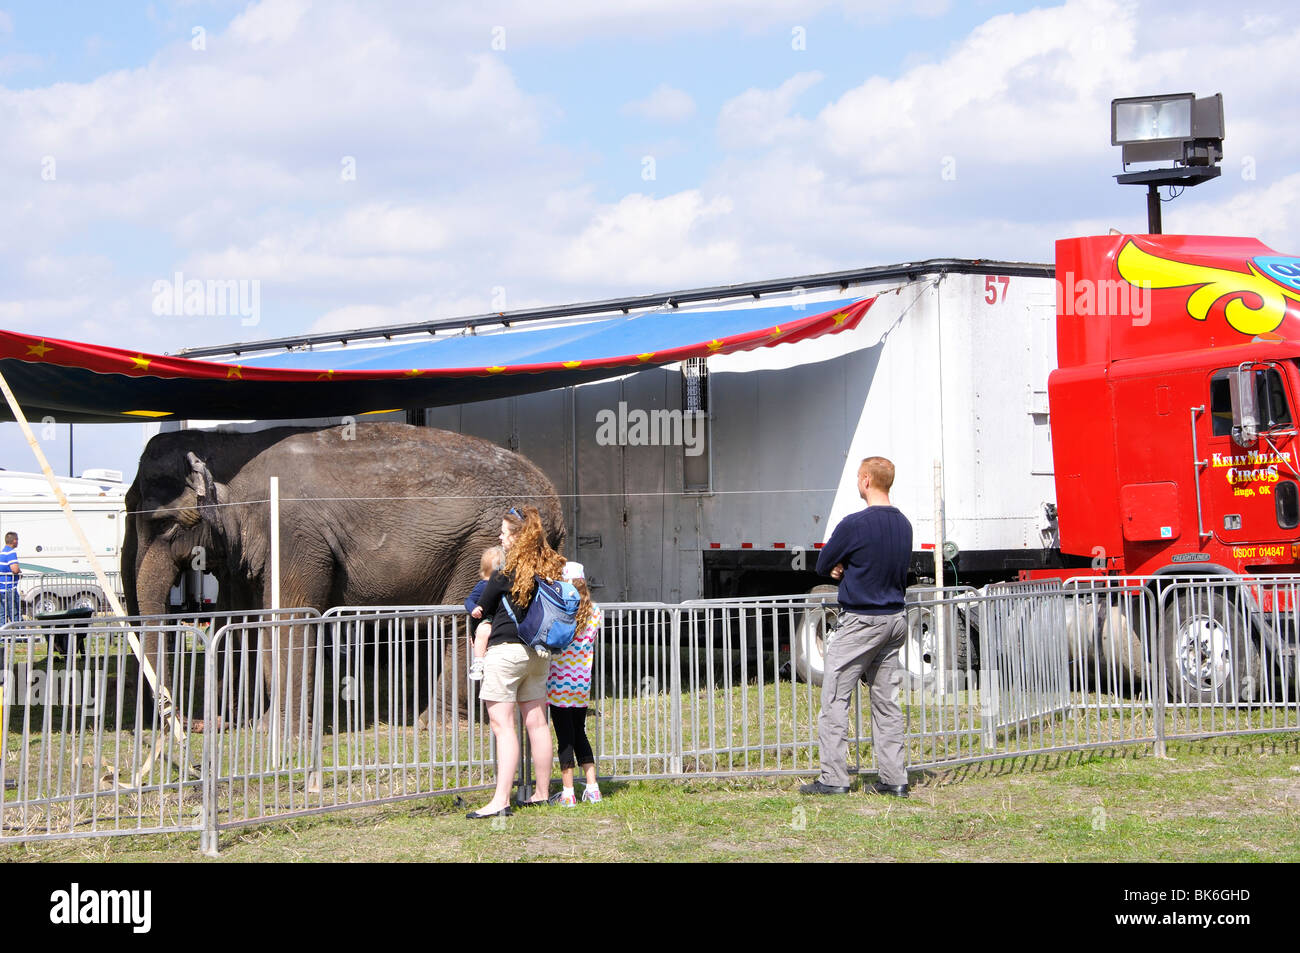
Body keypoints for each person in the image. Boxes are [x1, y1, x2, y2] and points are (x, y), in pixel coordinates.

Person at [800, 456, 913, 798]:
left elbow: (822, 563)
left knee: (835, 697)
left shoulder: (854, 524)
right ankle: (895, 779)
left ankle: (833, 778)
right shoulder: (904, 525)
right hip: (895, 620)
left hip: (862, 620)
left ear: (865, 480)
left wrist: (840, 568)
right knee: (887, 703)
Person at [465, 506, 566, 819]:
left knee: (503, 726)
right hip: (537, 655)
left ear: (517, 538)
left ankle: (500, 801)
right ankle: (541, 793)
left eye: (504, 532)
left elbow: (479, 609)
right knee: (537, 724)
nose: (499, 536)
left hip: (505, 654)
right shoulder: (546, 570)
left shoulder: (503, 574)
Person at [546, 561, 602, 806]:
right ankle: (593, 787)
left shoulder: (561, 613)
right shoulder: (596, 613)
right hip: (581, 683)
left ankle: (568, 792)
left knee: (564, 738)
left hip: (559, 682)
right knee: (580, 733)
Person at [465, 546, 505, 681]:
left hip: (500, 619)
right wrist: (473, 608)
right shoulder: (483, 585)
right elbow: (469, 600)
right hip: (487, 618)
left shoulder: (506, 584)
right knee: (484, 631)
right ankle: (478, 661)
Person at [0, 532, 21, 627]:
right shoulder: (11, 552)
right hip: (9, 588)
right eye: (17, 540)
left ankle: (2, 636)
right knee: (14, 612)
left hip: (1, 588)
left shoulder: (2, 552)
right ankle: (21, 635)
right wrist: (20, 572)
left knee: (2, 614)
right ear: (14, 540)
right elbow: (15, 569)